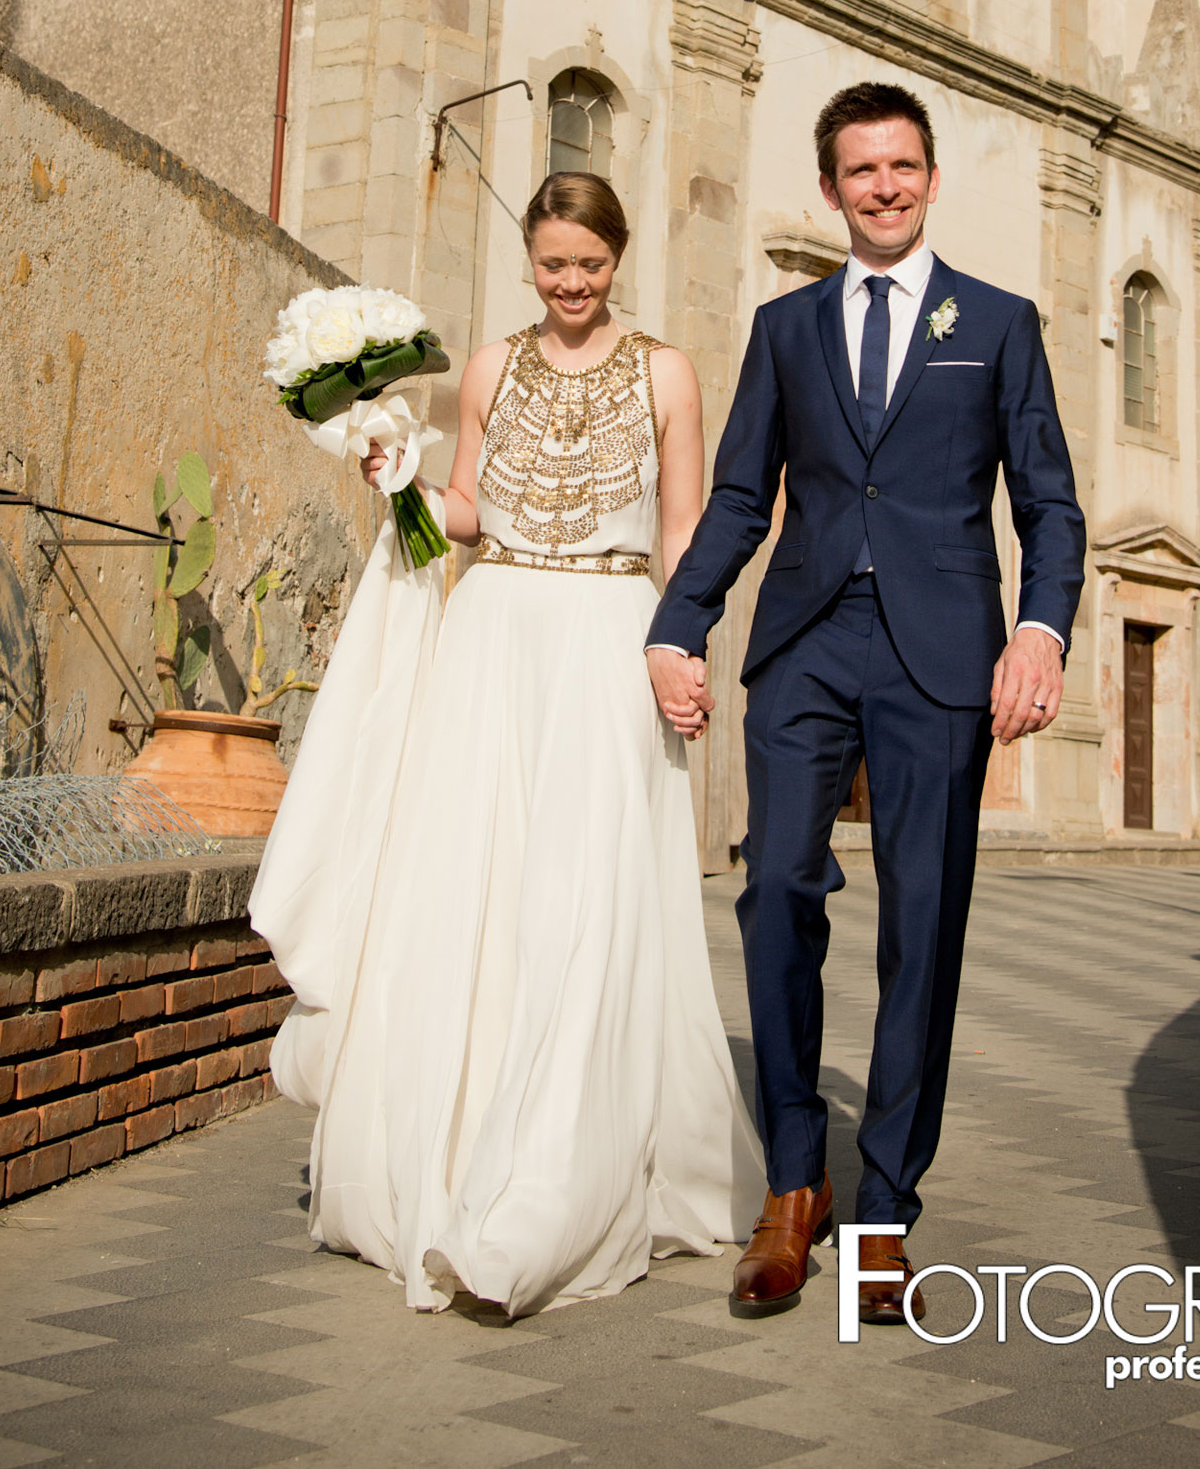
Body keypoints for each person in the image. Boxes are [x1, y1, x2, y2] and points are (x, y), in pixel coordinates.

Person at [252, 171, 761, 1317]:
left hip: (610, 638)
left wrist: (685, 648)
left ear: (616, 257)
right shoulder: (487, 365)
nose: (570, 284)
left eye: (588, 265)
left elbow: (682, 527)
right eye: (551, 266)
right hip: (493, 637)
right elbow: (468, 512)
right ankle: (455, 1147)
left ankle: (560, 1168)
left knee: (586, 895)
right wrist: (406, 479)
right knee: (478, 883)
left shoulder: (668, 371)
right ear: (528, 260)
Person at [645, 82, 1085, 1322]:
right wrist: (680, 620)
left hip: (942, 655)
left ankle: (885, 1202)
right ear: (831, 187)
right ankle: (796, 1186)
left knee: (923, 923)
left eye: (900, 166)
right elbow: (739, 496)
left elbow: (1049, 504)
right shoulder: (786, 330)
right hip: (805, 641)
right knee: (775, 886)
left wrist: (1040, 630)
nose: (881, 187)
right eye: (858, 170)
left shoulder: (997, 323)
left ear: (930, 178)